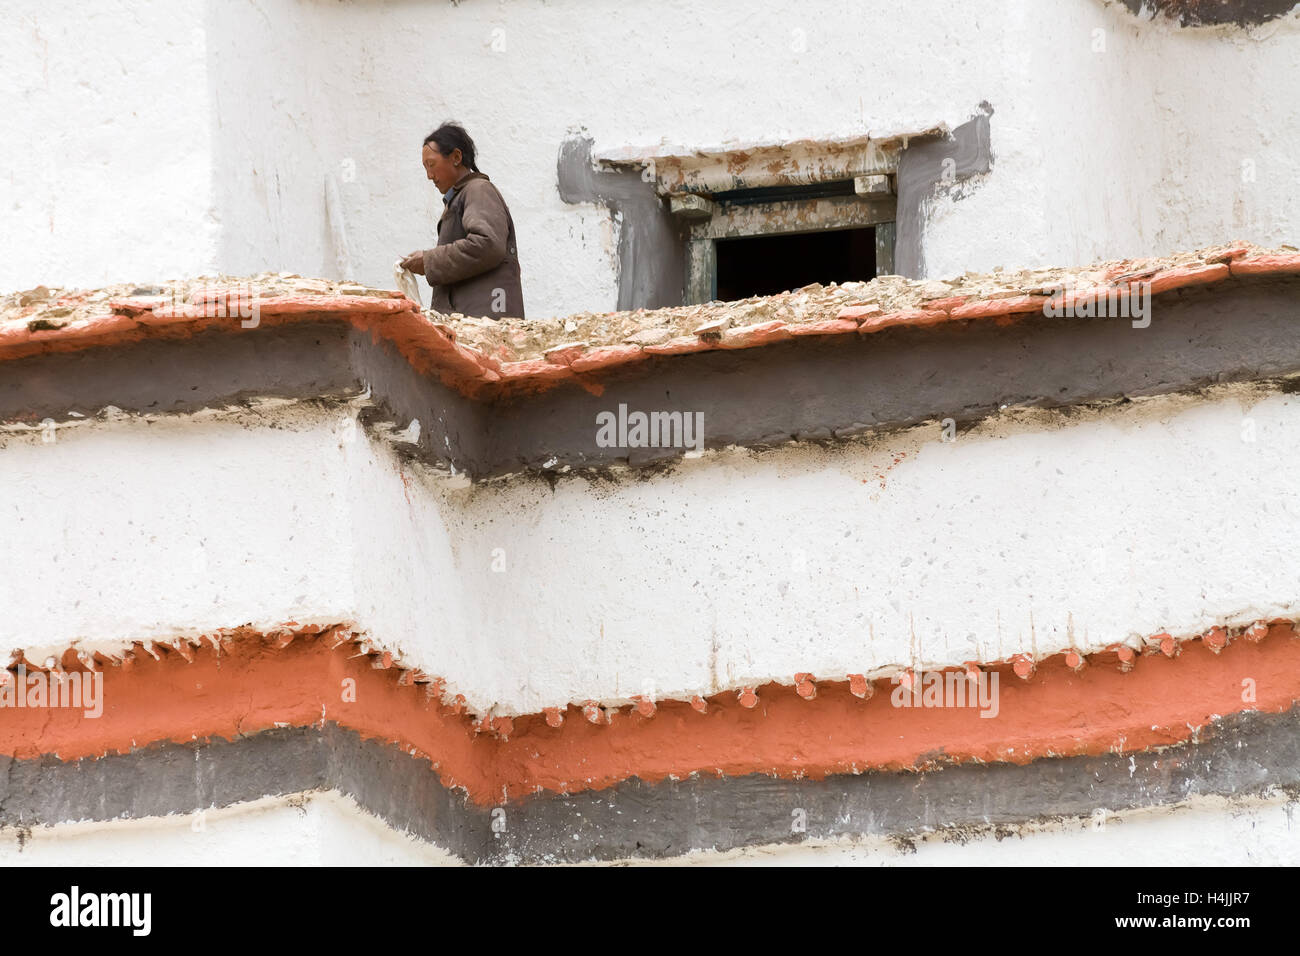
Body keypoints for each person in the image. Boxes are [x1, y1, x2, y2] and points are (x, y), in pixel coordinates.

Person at [400, 123, 525, 320]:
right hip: (475, 320)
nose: (429, 176)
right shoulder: (461, 197)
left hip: (487, 323)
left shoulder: (478, 190)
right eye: (425, 168)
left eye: (432, 165)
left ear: (456, 157)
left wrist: (429, 261)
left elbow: (488, 244)